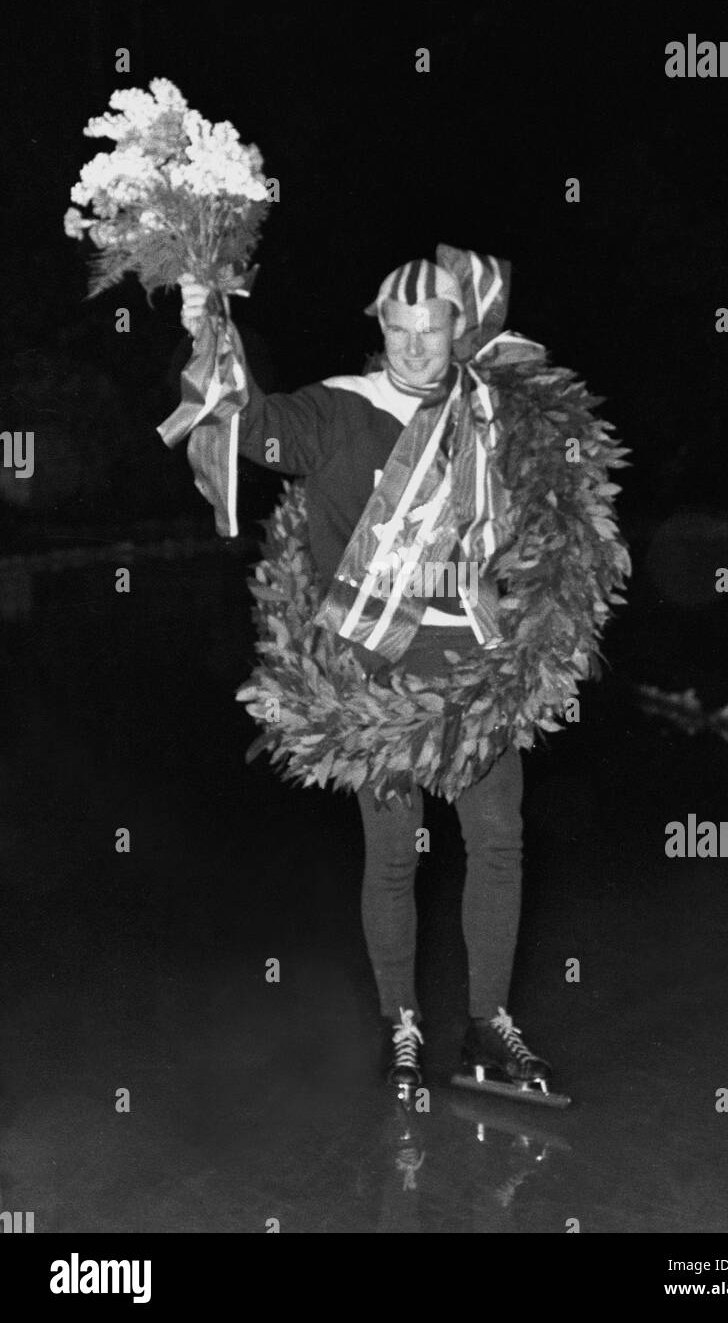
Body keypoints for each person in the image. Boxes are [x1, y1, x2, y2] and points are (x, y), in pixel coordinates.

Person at [177, 249, 558, 1102]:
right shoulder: (337, 411)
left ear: (461, 328)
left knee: (497, 844)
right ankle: (403, 1025)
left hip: (480, 669)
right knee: (393, 857)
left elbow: (550, 513)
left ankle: (488, 1024)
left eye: (434, 329)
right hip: (377, 673)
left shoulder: (492, 411)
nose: (417, 348)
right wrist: (204, 324)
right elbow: (241, 420)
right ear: (377, 326)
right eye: (399, 328)